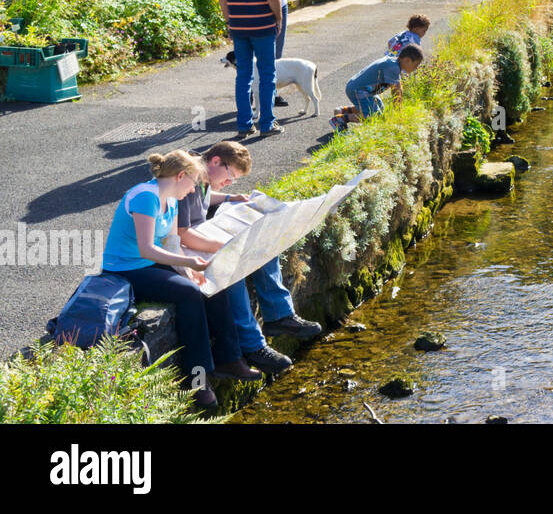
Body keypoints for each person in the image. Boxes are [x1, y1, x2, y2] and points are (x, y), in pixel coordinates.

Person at [100, 150, 258, 410]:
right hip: (126, 269)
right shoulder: (145, 197)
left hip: (151, 262)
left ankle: (229, 358)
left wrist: (189, 271)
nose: (195, 188)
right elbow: (146, 249)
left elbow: (172, 243)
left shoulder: (172, 200)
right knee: (189, 294)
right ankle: (197, 380)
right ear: (180, 175)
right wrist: (187, 264)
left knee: (209, 282)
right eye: (193, 182)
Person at [177, 142, 321, 376]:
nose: (230, 181)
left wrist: (230, 197)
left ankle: (279, 315)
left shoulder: (203, 176)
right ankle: (254, 346)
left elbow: (206, 196)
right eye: (230, 175)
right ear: (215, 161)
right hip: (183, 250)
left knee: (261, 241)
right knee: (231, 268)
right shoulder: (188, 179)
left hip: (201, 237)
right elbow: (181, 233)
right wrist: (224, 245)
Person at [216, 0, 283, 138]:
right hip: (262, 25)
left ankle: (244, 124)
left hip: (238, 26)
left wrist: (229, 20)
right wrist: (278, 19)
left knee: (243, 75)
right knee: (267, 74)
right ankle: (267, 124)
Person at [342, 44, 423, 122]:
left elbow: (398, 86)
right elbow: (396, 90)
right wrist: (398, 114)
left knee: (380, 107)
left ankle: (343, 111)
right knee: (373, 116)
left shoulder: (394, 62)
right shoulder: (393, 67)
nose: (416, 68)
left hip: (363, 89)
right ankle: (340, 119)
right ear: (407, 60)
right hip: (359, 90)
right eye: (415, 65)